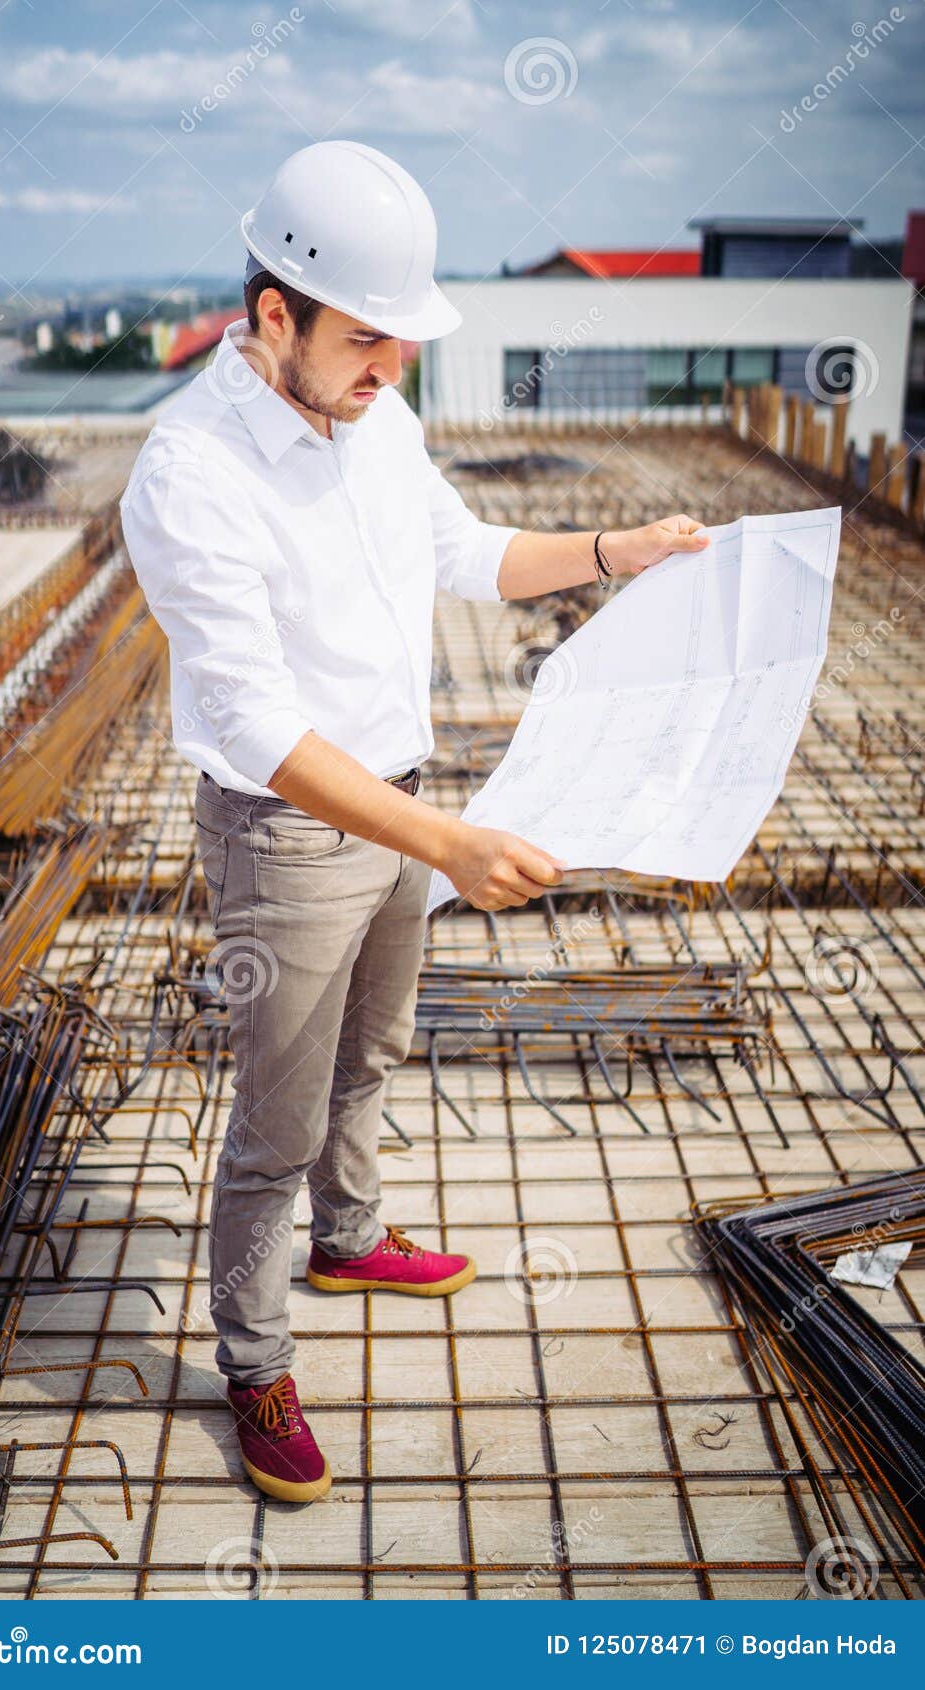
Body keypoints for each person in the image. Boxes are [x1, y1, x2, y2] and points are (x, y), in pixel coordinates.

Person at [120, 139, 709, 1504]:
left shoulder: (378, 417)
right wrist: (447, 842)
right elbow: (262, 726)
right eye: (369, 339)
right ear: (276, 315)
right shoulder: (191, 471)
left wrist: (625, 552)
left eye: (403, 342)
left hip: (394, 800)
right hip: (287, 831)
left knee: (371, 1050)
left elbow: (469, 555)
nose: (395, 368)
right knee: (275, 1113)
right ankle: (255, 1359)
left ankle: (352, 1236)